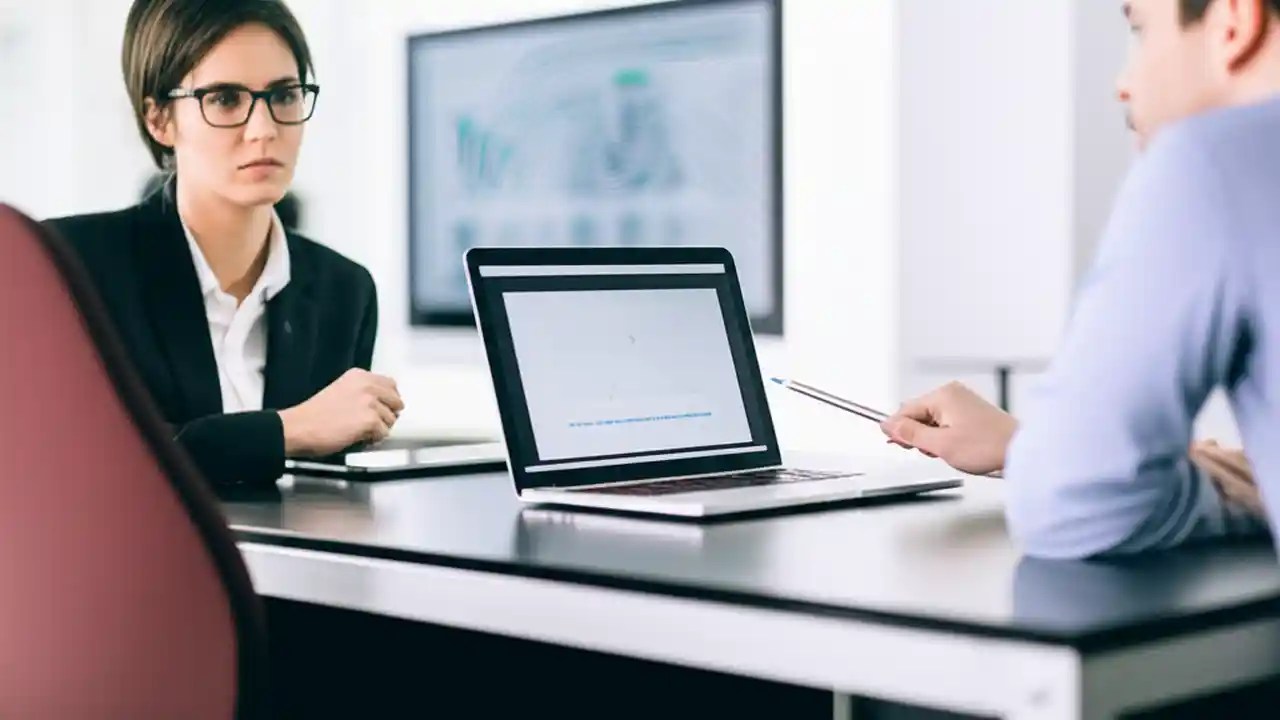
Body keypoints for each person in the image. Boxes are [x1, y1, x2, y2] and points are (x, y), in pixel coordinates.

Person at [882, 0, 1280, 559]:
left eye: (1141, 30)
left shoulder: (1213, 160)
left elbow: (1079, 503)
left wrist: (1054, 460)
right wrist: (1037, 448)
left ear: (1233, 23)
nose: (1124, 83)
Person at [46, 0, 404, 488]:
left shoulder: (344, 292)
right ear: (159, 119)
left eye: (284, 95)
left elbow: (320, 497)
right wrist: (287, 430)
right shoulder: (71, 264)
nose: (264, 130)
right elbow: (79, 463)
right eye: (224, 99)